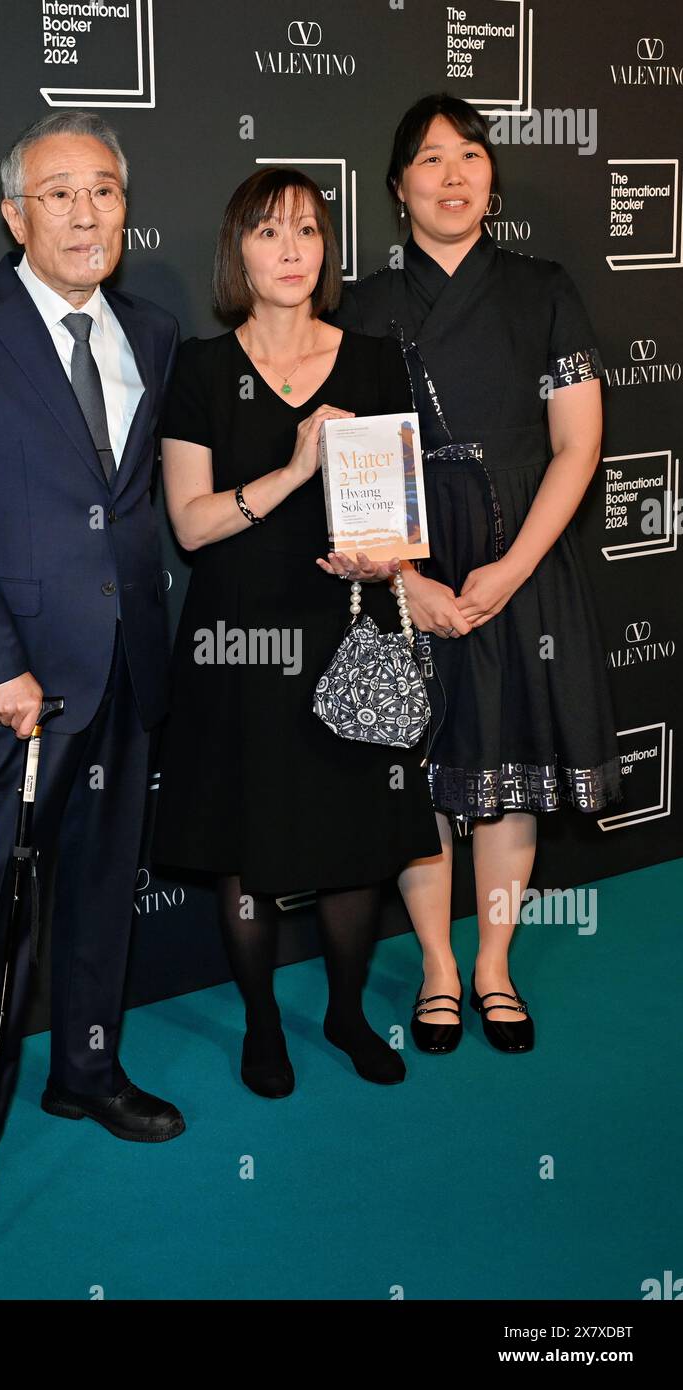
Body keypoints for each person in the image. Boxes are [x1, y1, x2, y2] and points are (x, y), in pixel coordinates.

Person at [0, 110, 184, 1245]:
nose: (83, 212)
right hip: (10, 686)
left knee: (101, 895)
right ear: (15, 212)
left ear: (124, 207)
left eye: (103, 191)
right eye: (57, 193)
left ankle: (87, 1069)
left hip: (124, 666)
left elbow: (128, 506)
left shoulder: (151, 333)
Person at [332, 94, 623, 1056]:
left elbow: (577, 447)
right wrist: (402, 579)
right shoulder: (364, 305)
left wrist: (510, 569)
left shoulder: (542, 287)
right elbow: (351, 460)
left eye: (468, 155)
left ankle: (493, 962)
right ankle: (437, 966)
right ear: (397, 189)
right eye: (428, 160)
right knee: (425, 776)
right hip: (408, 562)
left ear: (492, 178)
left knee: (506, 777)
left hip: (521, 554)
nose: (451, 175)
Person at [151, 168, 443, 1099]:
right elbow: (191, 525)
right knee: (248, 846)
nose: (290, 250)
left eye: (309, 232)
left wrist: (383, 559)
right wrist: (292, 468)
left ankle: (348, 1011)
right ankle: (264, 1024)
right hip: (237, 647)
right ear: (237, 249)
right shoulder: (200, 368)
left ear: (327, 251)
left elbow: (394, 515)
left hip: (340, 631)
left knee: (353, 837)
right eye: (269, 232)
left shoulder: (373, 359)